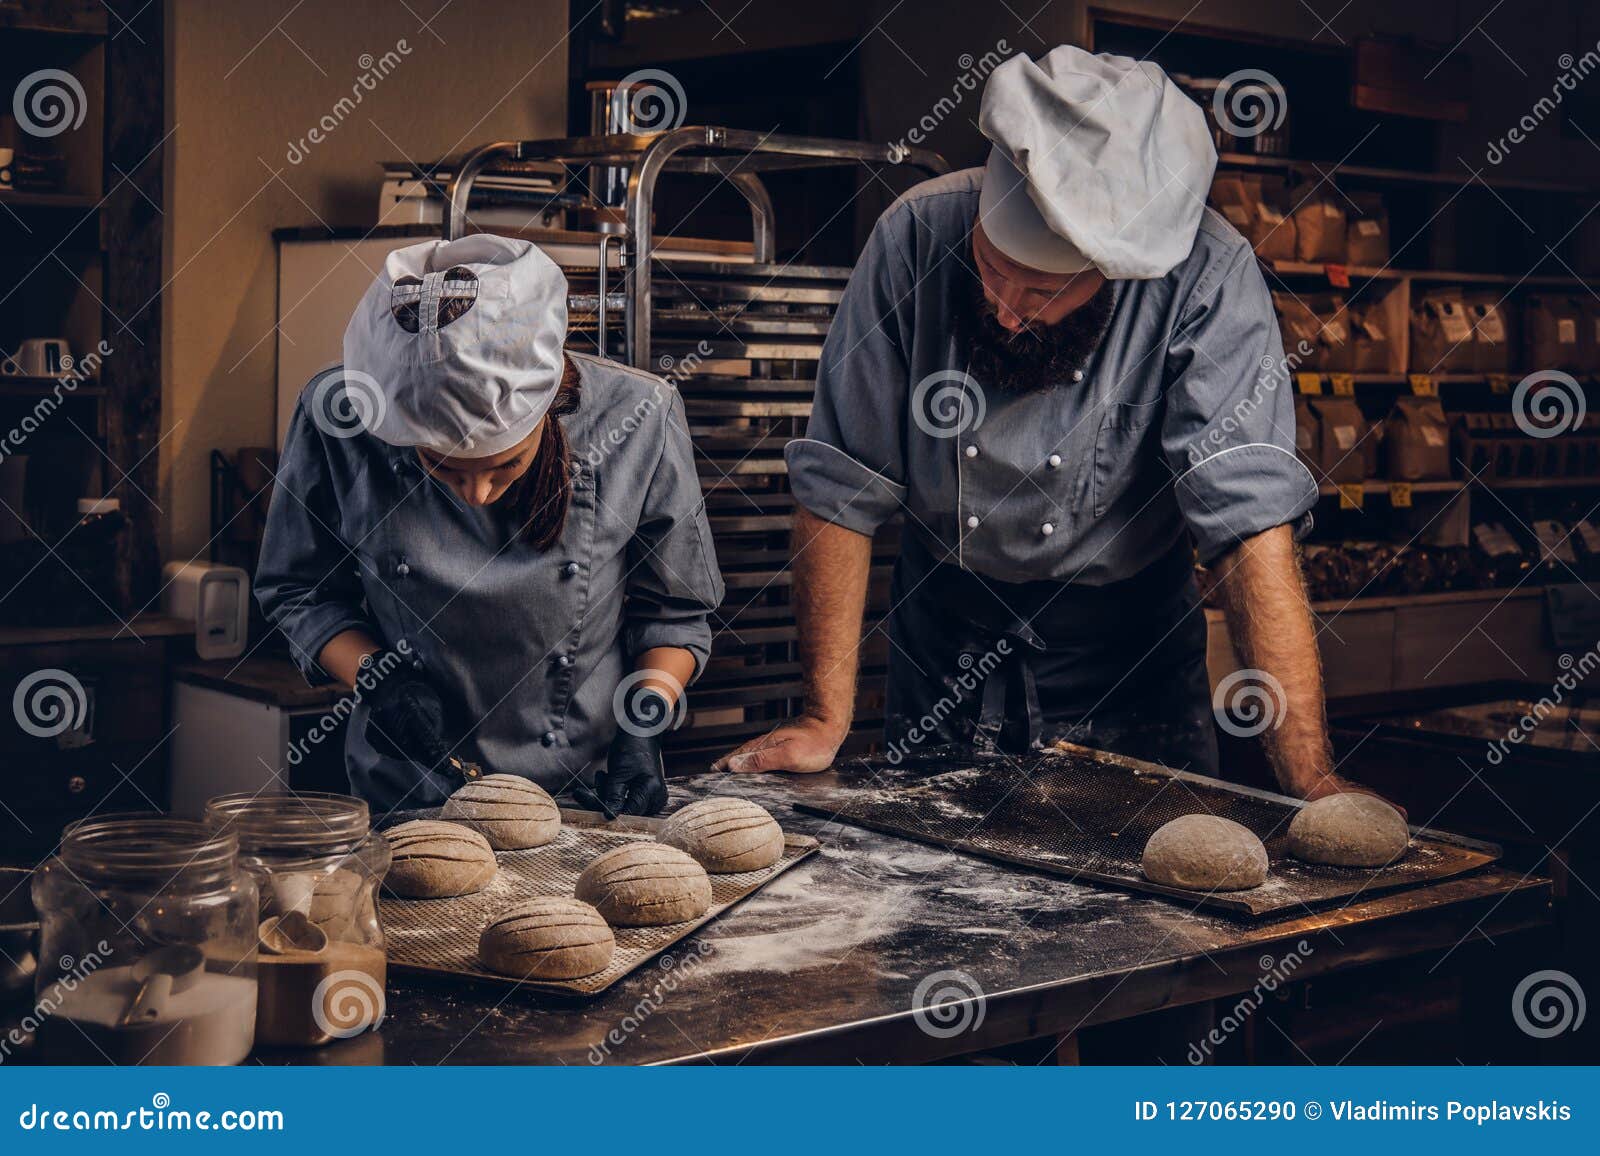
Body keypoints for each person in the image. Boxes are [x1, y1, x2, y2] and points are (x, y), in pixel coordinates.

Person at [714, 46, 1376, 804]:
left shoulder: (1207, 278)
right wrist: (823, 718)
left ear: (1113, 271)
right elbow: (841, 486)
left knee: (1157, 874)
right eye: (991, 270)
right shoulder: (914, 236)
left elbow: (1246, 525)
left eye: (1040, 292)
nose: (1005, 310)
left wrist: (1311, 778)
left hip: (1132, 656)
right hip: (947, 638)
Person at [257, 234, 723, 816]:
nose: (477, 493)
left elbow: (675, 612)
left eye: (506, 465)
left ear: (548, 408)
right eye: (442, 468)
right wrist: (378, 678)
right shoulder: (337, 418)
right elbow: (300, 590)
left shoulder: (638, 415)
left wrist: (644, 722)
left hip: (583, 790)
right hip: (410, 792)